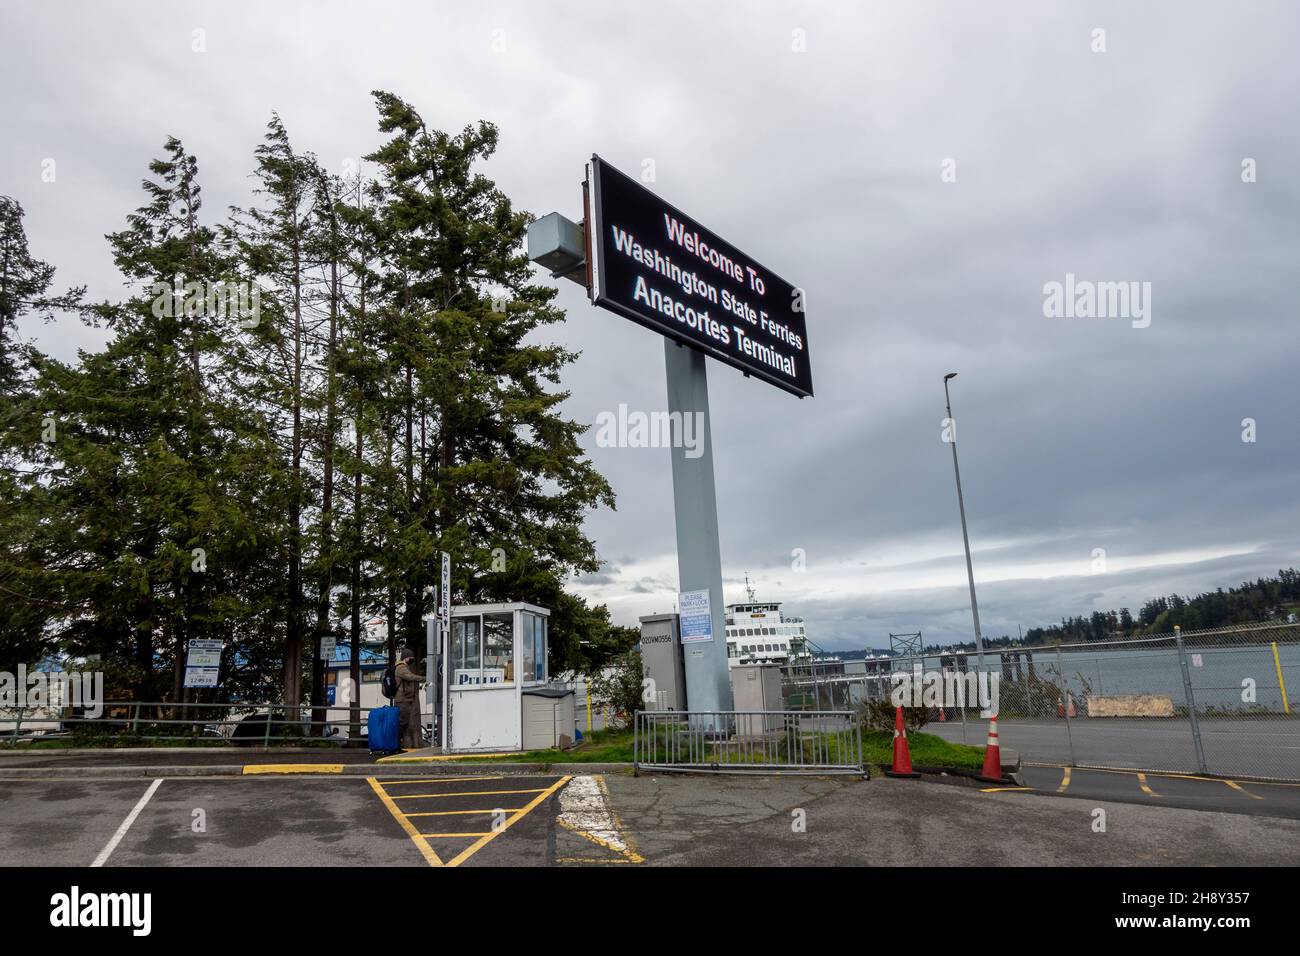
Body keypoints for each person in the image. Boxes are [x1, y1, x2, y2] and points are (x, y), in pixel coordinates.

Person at [394, 648, 426, 749]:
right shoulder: (401, 668)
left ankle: (399, 743)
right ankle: (395, 743)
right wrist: (424, 678)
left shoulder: (404, 667)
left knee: (405, 723)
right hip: (402, 700)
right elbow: (410, 677)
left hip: (406, 699)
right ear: (405, 658)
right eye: (410, 658)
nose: (411, 660)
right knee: (403, 723)